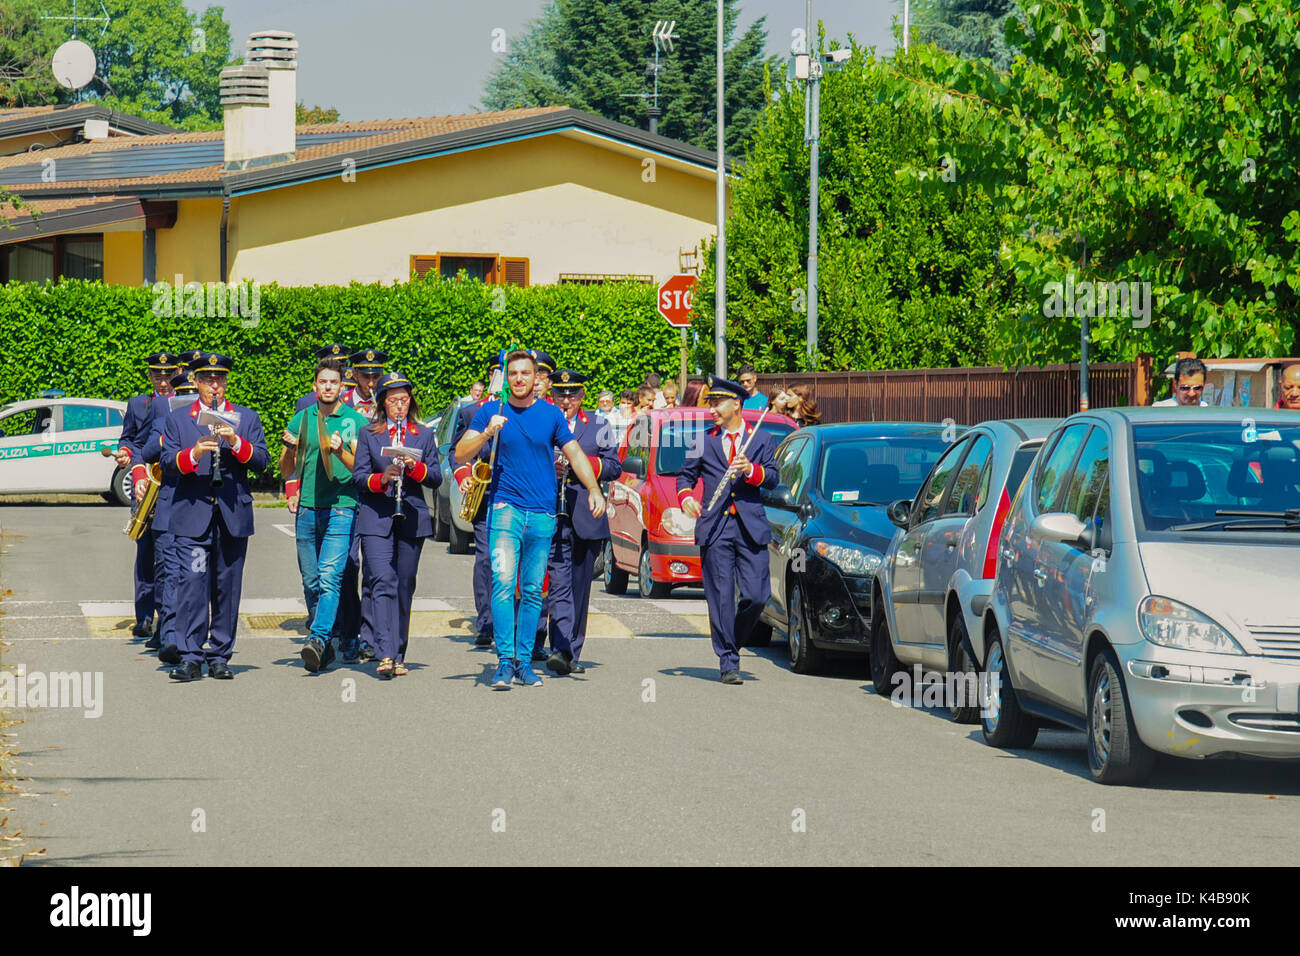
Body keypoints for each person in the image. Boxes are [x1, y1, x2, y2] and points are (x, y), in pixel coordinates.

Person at [455, 350, 606, 690]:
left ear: (537, 378)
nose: (519, 379)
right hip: (505, 510)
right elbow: (461, 452)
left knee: (534, 592)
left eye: (525, 373)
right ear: (506, 378)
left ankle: (524, 662)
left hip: (542, 513)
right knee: (504, 584)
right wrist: (486, 434)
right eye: (513, 374)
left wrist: (594, 489)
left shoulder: (551, 415)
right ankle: (505, 661)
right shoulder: (491, 412)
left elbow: (576, 454)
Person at [159, 354, 269, 681]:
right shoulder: (179, 420)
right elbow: (166, 463)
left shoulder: (245, 418)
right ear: (196, 382)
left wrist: (235, 442)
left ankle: (220, 654)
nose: (214, 386)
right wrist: (195, 452)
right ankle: (190, 655)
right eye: (207, 380)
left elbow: (262, 461)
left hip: (232, 514)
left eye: (219, 379)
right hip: (192, 514)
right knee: (192, 585)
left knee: (227, 587)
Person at [677, 376, 779, 685]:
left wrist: (750, 469)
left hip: (750, 526)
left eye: (717, 403)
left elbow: (773, 479)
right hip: (715, 527)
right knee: (720, 596)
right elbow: (685, 478)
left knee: (757, 596)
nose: (712, 410)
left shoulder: (761, 440)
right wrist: (686, 501)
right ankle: (728, 660)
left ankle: (731, 640)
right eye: (709, 403)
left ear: (736, 404)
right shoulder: (702, 440)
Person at [353, 372, 443, 677]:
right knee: (382, 580)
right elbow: (359, 477)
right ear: (383, 404)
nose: (399, 406)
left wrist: (416, 469)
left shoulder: (423, 434)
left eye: (404, 400)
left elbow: (436, 477)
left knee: (404, 585)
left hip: (412, 517)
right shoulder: (369, 433)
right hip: (376, 516)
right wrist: (383, 478)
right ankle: (385, 652)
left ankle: (399, 651)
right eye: (393, 401)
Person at [281, 362, 369, 672]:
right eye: (323, 382)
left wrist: (342, 449)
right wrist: (289, 451)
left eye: (334, 382)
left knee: (331, 577)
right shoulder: (302, 419)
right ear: (315, 386)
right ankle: (327, 641)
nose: (328, 387)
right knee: (311, 581)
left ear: (342, 387)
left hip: (342, 507)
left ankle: (318, 638)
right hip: (307, 507)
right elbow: (286, 469)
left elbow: (364, 469)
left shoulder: (356, 422)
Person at [539, 370, 622, 676]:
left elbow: (614, 465)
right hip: (548, 510)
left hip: (585, 514)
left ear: (582, 397)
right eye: (560, 395)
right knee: (555, 583)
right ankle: (556, 645)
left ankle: (571, 650)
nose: (566, 401)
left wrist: (580, 465)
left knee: (579, 586)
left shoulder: (598, 425)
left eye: (572, 395)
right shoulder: (544, 420)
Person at [114, 351, 181, 638]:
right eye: (158, 375)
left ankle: (168, 616)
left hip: (174, 484)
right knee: (145, 553)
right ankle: (144, 617)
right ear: (150, 376)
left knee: (171, 554)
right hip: (146, 484)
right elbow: (130, 439)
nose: (163, 381)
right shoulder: (138, 403)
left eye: (168, 375)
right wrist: (127, 455)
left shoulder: (184, 401)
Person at [135, 365, 198, 661]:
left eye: (191, 395)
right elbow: (145, 452)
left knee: (195, 576)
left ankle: (179, 632)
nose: (186, 401)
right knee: (169, 573)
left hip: (200, 511)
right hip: (170, 508)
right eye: (182, 396)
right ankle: (171, 636)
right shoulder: (164, 421)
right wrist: (167, 437)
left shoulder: (211, 421)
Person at [451, 354, 504, 647]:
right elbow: (454, 451)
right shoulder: (473, 411)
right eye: (499, 377)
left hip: (513, 492)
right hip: (484, 492)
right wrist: (463, 475)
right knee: (485, 559)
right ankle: (486, 621)